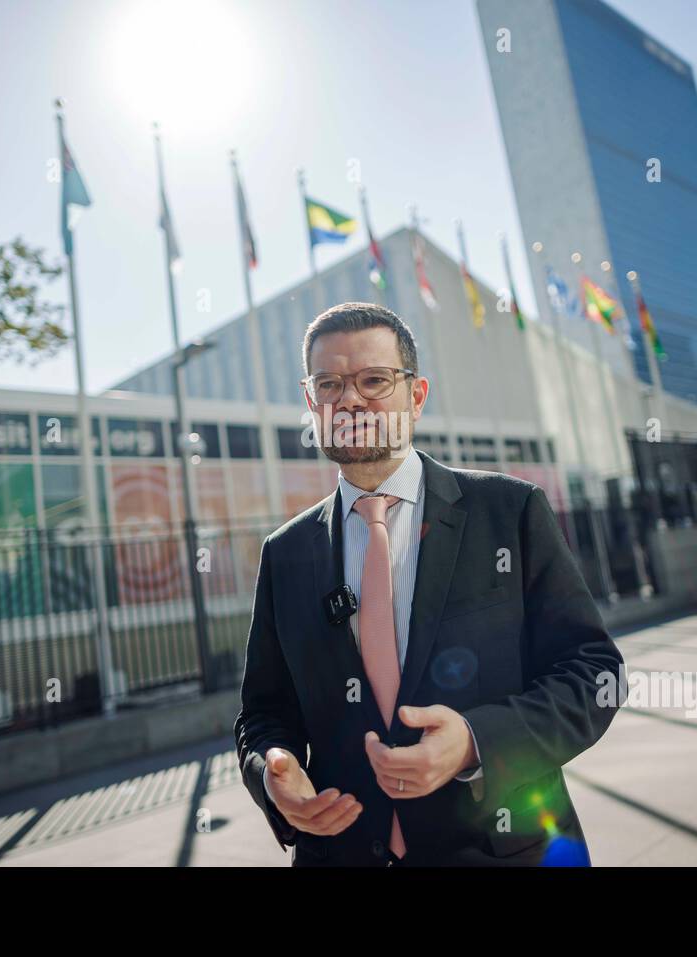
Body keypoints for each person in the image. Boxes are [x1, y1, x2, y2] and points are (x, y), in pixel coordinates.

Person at [234, 302, 624, 867]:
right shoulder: (285, 553)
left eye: (374, 380)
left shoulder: (510, 511)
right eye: (329, 384)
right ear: (311, 401)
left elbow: (594, 673)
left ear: (415, 397)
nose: (349, 399)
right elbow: (263, 710)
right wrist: (272, 771)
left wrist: (473, 741)